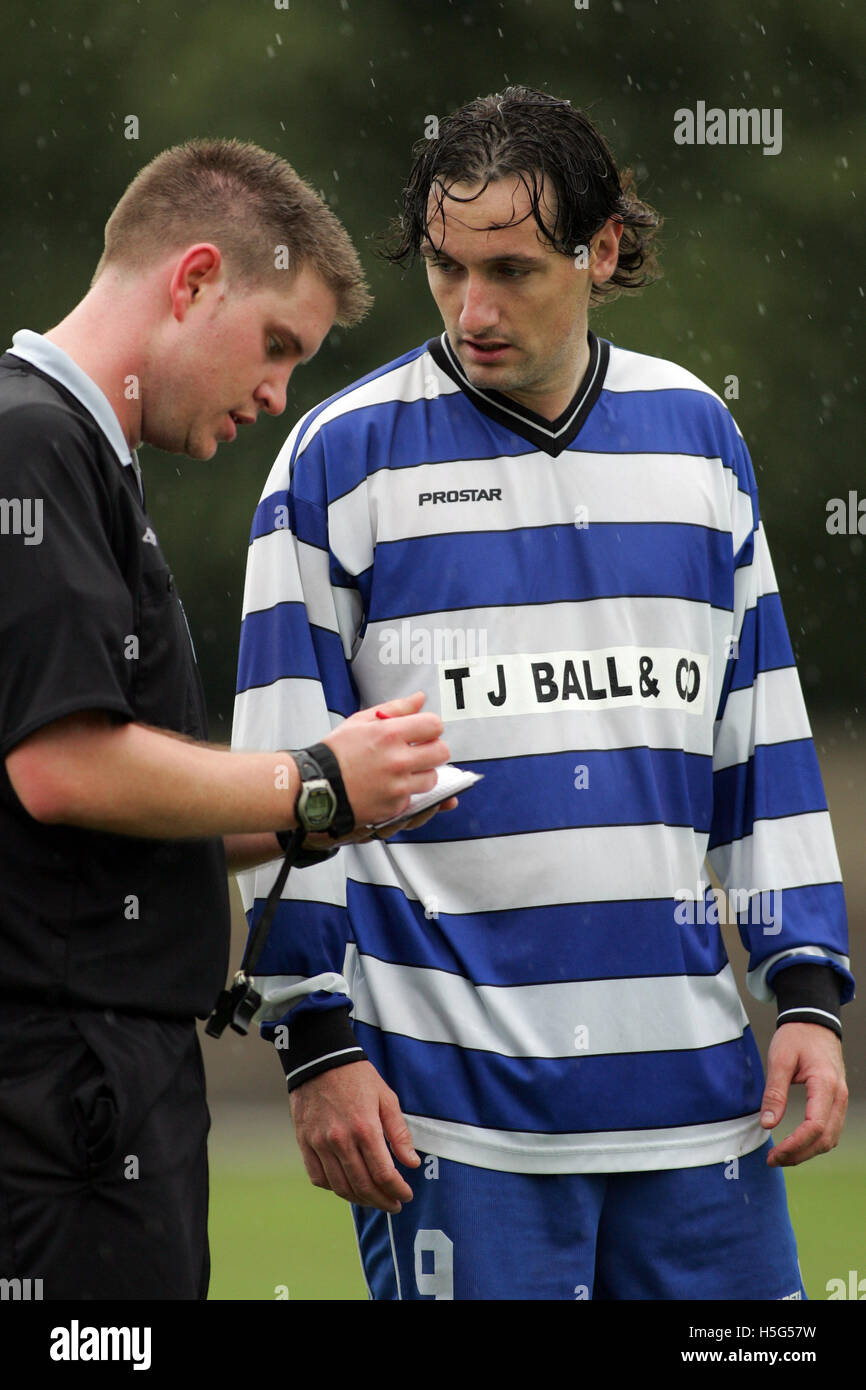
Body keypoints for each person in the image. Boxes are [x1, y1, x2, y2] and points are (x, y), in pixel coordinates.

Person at [232, 89, 852, 1300]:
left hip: (701, 1116)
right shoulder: (335, 460)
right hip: (454, 1125)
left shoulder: (696, 438)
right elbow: (275, 772)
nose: (471, 310)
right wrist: (312, 1041)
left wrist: (808, 990)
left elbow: (756, 737)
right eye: (446, 269)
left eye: (511, 269)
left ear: (602, 249)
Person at [0, 137, 453, 1302]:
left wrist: (326, 816)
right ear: (194, 278)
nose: (275, 395)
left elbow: (97, 829)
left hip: (98, 1088)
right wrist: (310, 780)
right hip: (63, 1102)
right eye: (276, 347)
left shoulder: (81, 459)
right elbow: (59, 767)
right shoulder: (30, 440)